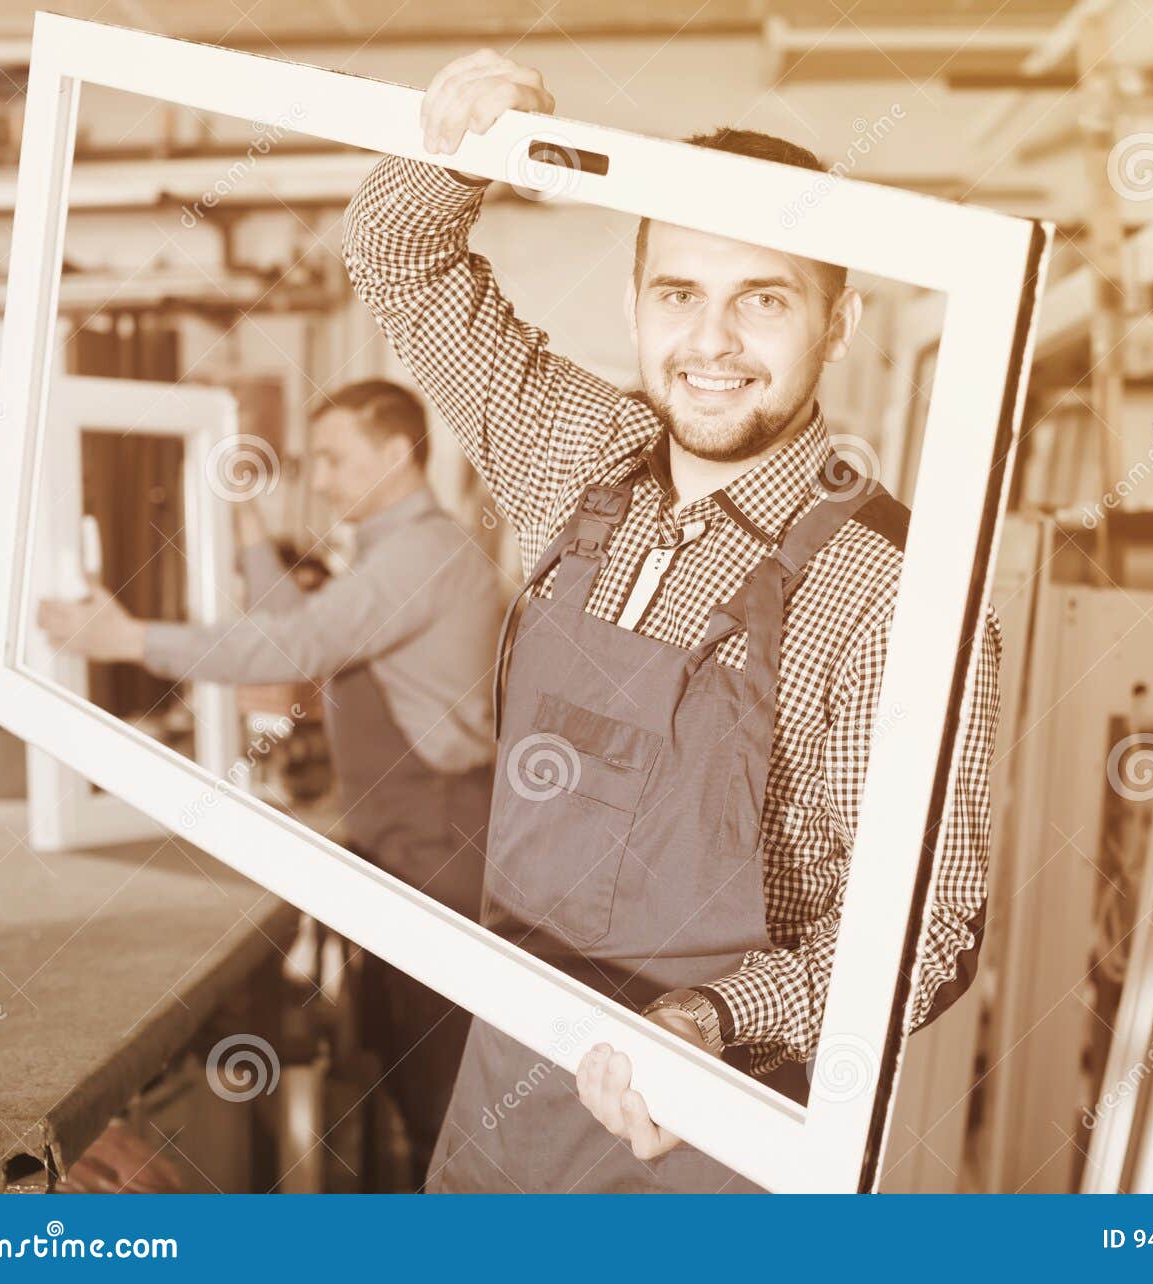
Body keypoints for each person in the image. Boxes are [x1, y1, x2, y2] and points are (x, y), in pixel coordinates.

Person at [342, 48, 1003, 1194]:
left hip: (710, 1122)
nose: (712, 343)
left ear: (837, 324)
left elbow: (925, 931)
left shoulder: (895, 589)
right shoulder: (574, 458)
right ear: (637, 301)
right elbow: (399, 261)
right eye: (679, 294)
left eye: (763, 298)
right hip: (507, 1080)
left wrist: (701, 1025)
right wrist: (477, 137)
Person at [38, 379, 505, 1187]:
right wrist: (249, 528)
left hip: (441, 849)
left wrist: (125, 636)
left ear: (395, 454)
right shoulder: (391, 555)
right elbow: (295, 626)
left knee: (444, 1093)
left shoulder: (423, 554)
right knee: (405, 1069)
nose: (318, 477)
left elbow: (292, 651)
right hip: (406, 843)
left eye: (332, 458)